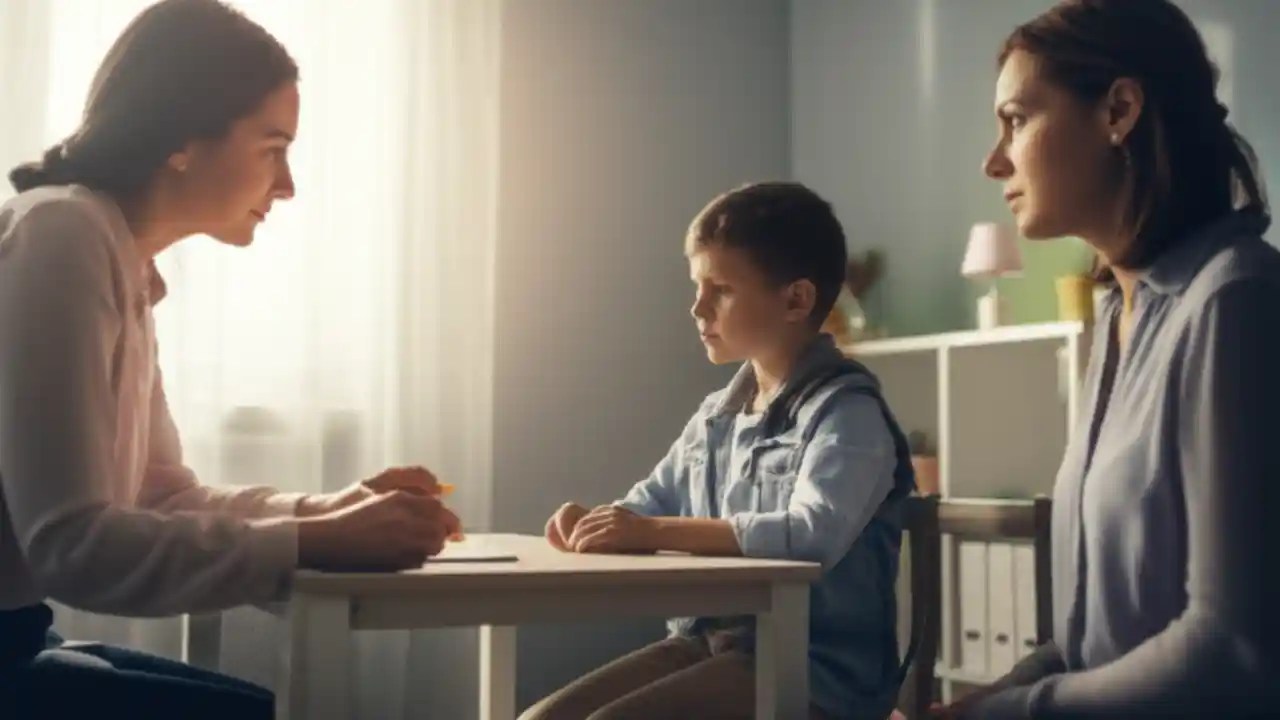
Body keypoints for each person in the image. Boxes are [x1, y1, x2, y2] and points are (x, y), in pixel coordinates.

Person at [0, 1, 460, 717]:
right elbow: (73, 545)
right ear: (182, 135)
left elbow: (161, 497)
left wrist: (328, 510)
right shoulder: (63, 233)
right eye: (273, 148)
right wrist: (316, 540)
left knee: (267, 708)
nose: (288, 185)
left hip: (19, 637)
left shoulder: (119, 259)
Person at [935, 0, 1278, 717]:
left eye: (1017, 119)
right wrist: (977, 702)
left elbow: (1232, 652)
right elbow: (1090, 641)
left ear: (1118, 109)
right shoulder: (1120, 315)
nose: (993, 160)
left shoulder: (1234, 300)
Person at [523, 182, 916, 720]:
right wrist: (596, 521)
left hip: (815, 672)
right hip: (708, 643)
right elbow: (652, 500)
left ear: (796, 299)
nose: (697, 307)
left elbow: (810, 534)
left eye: (721, 289)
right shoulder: (717, 415)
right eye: (697, 286)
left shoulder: (847, 414)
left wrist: (650, 533)